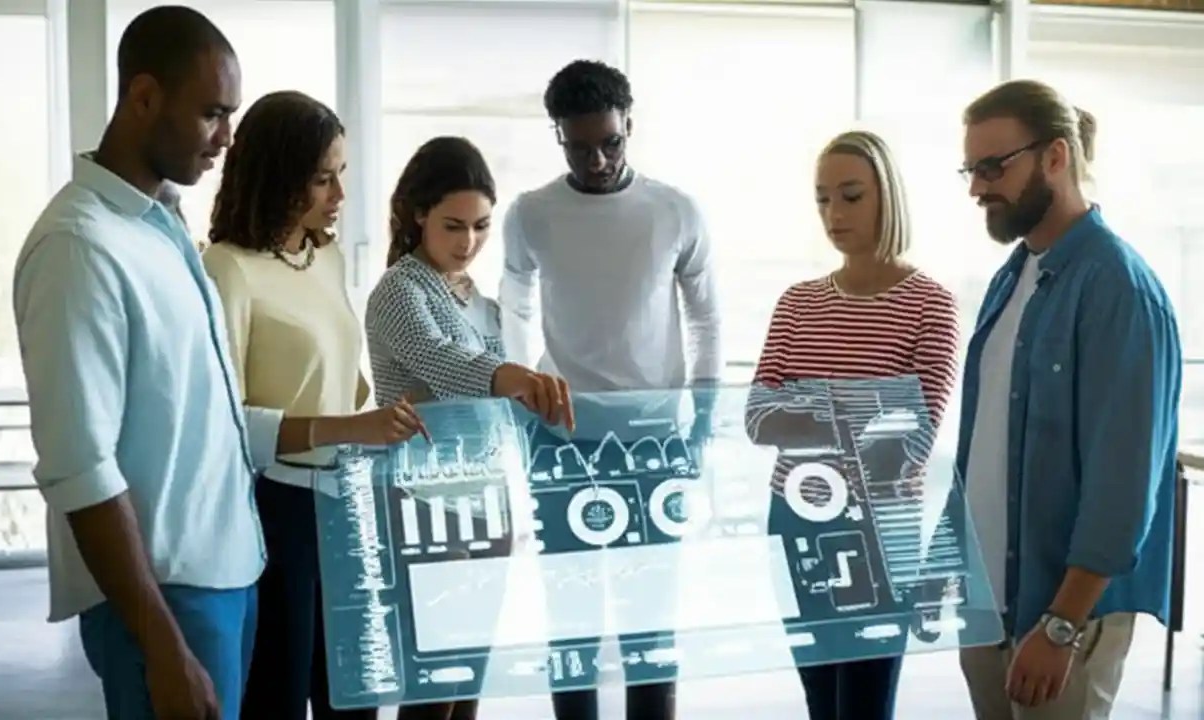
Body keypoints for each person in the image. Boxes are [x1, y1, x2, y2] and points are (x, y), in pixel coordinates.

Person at [11, 8, 424, 720]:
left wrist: (348, 431)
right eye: (211, 114)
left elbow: (219, 420)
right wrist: (162, 643)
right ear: (143, 98)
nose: (228, 138)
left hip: (232, 572)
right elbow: (79, 467)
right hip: (166, 594)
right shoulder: (81, 245)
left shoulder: (162, 227)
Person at [496, 57, 721, 720]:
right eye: (579, 146)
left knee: (650, 623)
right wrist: (522, 407)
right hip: (561, 444)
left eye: (611, 143)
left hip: (655, 442)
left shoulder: (675, 210)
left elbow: (707, 315)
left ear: (631, 127)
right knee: (571, 622)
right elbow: (514, 305)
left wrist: (701, 427)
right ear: (557, 136)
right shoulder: (531, 213)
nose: (597, 160)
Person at [955, 79, 1180, 720]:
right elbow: (988, 442)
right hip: (991, 602)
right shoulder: (1015, 274)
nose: (977, 187)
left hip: (1060, 620)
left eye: (993, 167)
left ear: (1055, 157)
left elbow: (1124, 481)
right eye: (971, 169)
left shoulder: (1119, 289)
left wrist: (1061, 625)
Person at [202, 90, 421, 720]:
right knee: (276, 693)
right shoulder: (225, 269)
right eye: (323, 178)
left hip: (348, 500)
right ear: (278, 174)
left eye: (341, 175)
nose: (339, 196)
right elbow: (227, 424)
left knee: (356, 697)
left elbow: (342, 378)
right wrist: (354, 426)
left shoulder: (320, 256)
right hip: (279, 510)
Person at [747, 130, 961, 719]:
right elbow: (759, 420)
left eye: (850, 196)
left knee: (863, 705)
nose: (833, 214)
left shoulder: (930, 303)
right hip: (792, 515)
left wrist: (812, 406)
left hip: (876, 528)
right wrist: (867, 411)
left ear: (886, 197)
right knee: (820, 700)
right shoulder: (798, 301)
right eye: (822, 199)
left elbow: (910, 443)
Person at [364, 136, 575, 720]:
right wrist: (516, 376)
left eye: (481, 227)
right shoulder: (398, 291)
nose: (469, 243)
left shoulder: (478, 299)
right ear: (417, 215)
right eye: (454, 226)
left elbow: (506, 399)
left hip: (484, 499)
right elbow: (446, 365)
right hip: (423, 501)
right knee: (434, 683)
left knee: (469, 678)